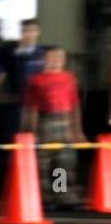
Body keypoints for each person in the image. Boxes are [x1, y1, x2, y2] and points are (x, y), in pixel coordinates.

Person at [21, 47, 84, 207]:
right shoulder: (36, 80)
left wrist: (76, 130)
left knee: (63, 161)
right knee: (43, 162)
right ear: (44, 59)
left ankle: (62, 195)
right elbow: (32, 107)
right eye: (52, 57)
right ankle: (45, 196)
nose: (56, 60)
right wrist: (32, 130)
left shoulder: (69, 78)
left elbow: (74, 105)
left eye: (59, 57)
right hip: (45, 122)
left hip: (65, 122)